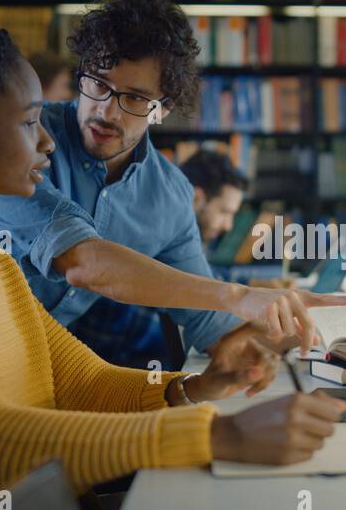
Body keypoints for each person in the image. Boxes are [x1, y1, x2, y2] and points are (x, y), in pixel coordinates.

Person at [0, 21, 346, 510]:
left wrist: (194, 387)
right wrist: (216, 435)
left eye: (134, 98)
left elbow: (84, 382)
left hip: (52, 508)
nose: (46, 140)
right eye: (27, 122)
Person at [0, 0, 346, 397]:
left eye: (134, 98)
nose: (106, 111)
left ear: (163, 109)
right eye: (98, 84)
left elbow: (211, 325)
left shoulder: (170, 195)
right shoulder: (23, 138)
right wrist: (238, 296)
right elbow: (80, 259)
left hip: (31, 377)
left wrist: (330, 327)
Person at [70, 148, 250, 368]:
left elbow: (197, 276)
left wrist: (247, 286)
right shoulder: (149, 237)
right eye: (224, 212)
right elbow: (148, 334)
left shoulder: (168, 238)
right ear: (197, 198)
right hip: (111, 371)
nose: (228, 226)